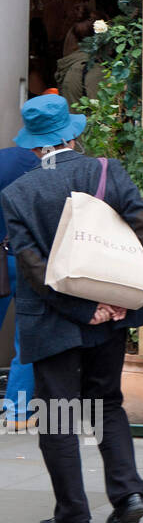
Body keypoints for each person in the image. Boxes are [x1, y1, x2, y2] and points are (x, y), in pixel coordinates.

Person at [0, 94, 143, 523]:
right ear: (73, 133)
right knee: (108, 402)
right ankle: (128, 494)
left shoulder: (17, 194)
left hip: (53, 321)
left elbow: (33, 269)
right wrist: (117, 298)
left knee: (58, 417)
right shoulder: (105, 171)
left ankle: (73, 517)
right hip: (113, 315)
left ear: (35, 147)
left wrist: (83, 309)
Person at [0, 139, 39, 423]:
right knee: (26, 337)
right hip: (30, 260)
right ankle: (18, 412)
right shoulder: (48, 167)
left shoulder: (4, 159)